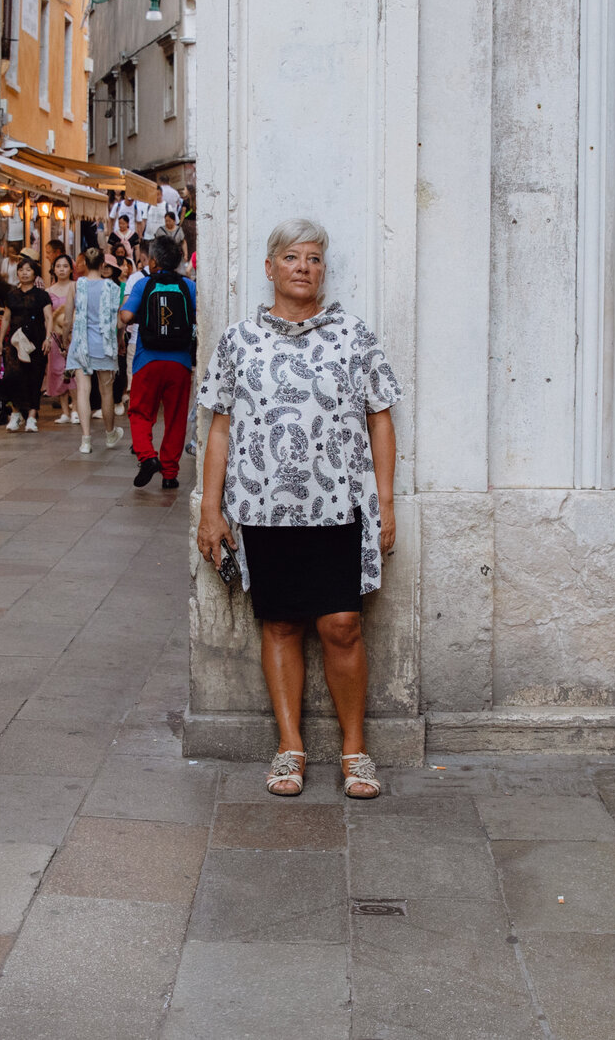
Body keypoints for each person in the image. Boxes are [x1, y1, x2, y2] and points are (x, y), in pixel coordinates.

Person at [196, 219, 401, 800]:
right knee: (281, 622)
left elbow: (379, 418)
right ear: (270, 268)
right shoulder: (239, 341)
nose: (304, 267)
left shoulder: (353, 337)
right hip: (263, 510)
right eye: (292, 257)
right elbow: (220, 427)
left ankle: (355, 753)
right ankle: (290, 748)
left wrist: (384, 501)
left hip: (338, 507)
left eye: (314, 258)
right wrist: (211, 511)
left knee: (342, 625)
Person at [119, 234, 197, 489]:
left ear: (153, 261)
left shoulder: (143, 285)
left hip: (147, 360)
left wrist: (126, 315)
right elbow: (199, 318)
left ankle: (147, 456)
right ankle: (170, 474)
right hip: (180, 362)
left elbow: (127, 315)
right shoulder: (189, 286)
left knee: (140, 412)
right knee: (175, 418)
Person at [67, 248, 124, 454]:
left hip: (81, 343)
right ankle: (109, 434)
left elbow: (67, 319)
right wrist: (119, 340)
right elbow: (117, 322)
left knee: (83, 390)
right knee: (106, 392)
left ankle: (86, 440)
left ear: (83, 263)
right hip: (105, 345)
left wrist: (66, 337)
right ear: (102, 265)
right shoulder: (112, 288)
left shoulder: (76, 286)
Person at [0, 258, 53, 432]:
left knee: (33, 377)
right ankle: (15, 413)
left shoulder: (42, 295)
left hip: (36, 341)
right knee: (13, 377)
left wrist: (48, 338)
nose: (24, 273)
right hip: (14, 342)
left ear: (35, 273)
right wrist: (0, 341)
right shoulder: (12, 295)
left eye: (28, 270)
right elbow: (6, 318)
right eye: (21, 270)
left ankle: (32, 417)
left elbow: (49, 317)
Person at [43, 252, 79, 424]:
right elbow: (47, 317)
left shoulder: (77, 286)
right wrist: (48, 337)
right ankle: (64, 411)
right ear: (53, 269)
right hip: (56, 338)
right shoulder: (48, 292)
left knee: (74, 372)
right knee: (58, 371)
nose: (62, 269)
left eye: (65, 266)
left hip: (74, 336)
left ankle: (76, 409)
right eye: (58, 266)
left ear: (71, 269)